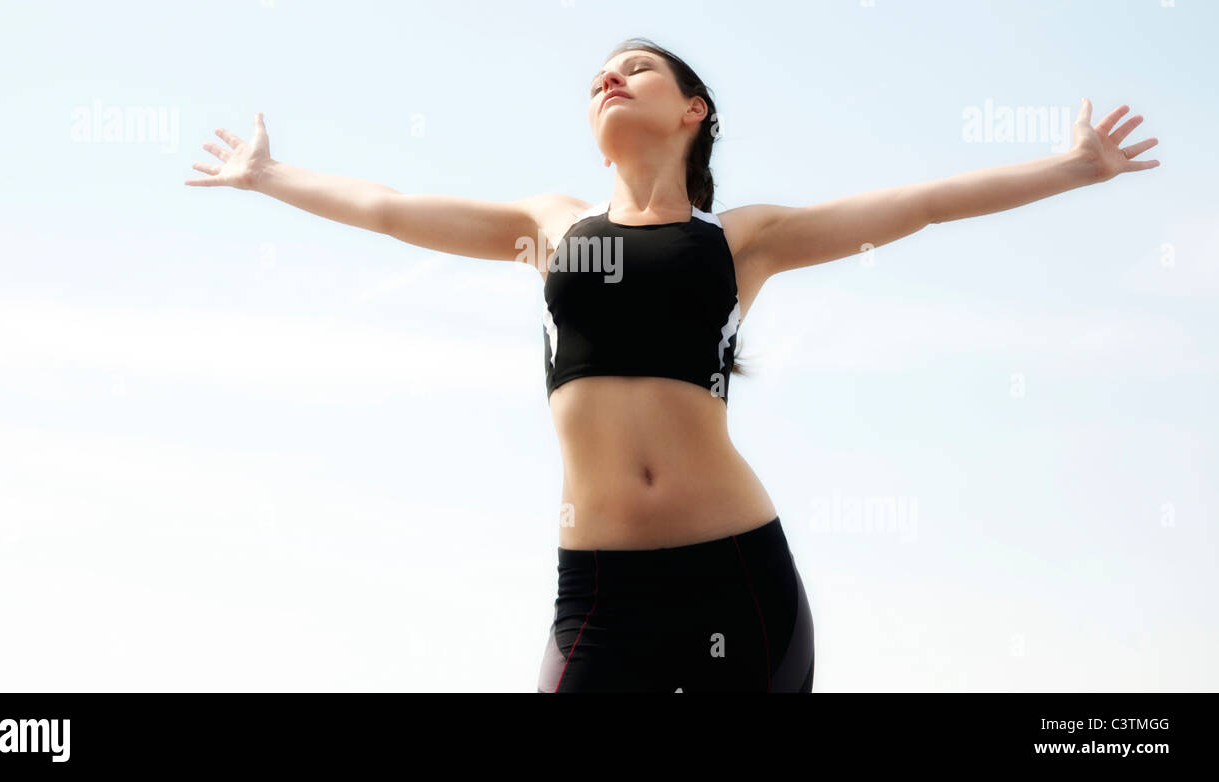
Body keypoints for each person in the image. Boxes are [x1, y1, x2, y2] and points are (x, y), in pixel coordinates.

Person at [185, 38, 1160, 692]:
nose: (610, 77)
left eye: (637, 68)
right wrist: (269, 175)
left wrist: (1070, 167)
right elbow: (390, 206)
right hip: (598, 588)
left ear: (693, 110)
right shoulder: (549, 226)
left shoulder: (742, 239)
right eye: (599, 75)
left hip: (737, 575)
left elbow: (919, 204)